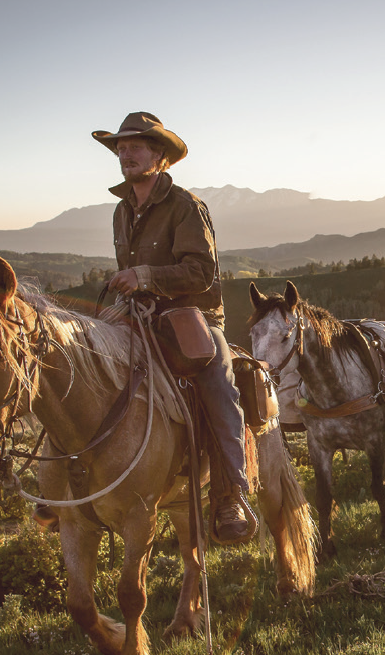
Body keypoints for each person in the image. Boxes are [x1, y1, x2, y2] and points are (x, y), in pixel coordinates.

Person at [91, 111, 251, 544]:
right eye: (121, 148)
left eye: (135, 146)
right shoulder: (121, 211)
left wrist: (145, 276)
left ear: (160, 157)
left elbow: (201, 272)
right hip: (138, 315)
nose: (125, 153)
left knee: (217, 376)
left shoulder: (186, 206)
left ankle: (231, 492)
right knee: (79, 360)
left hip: (192, 315)